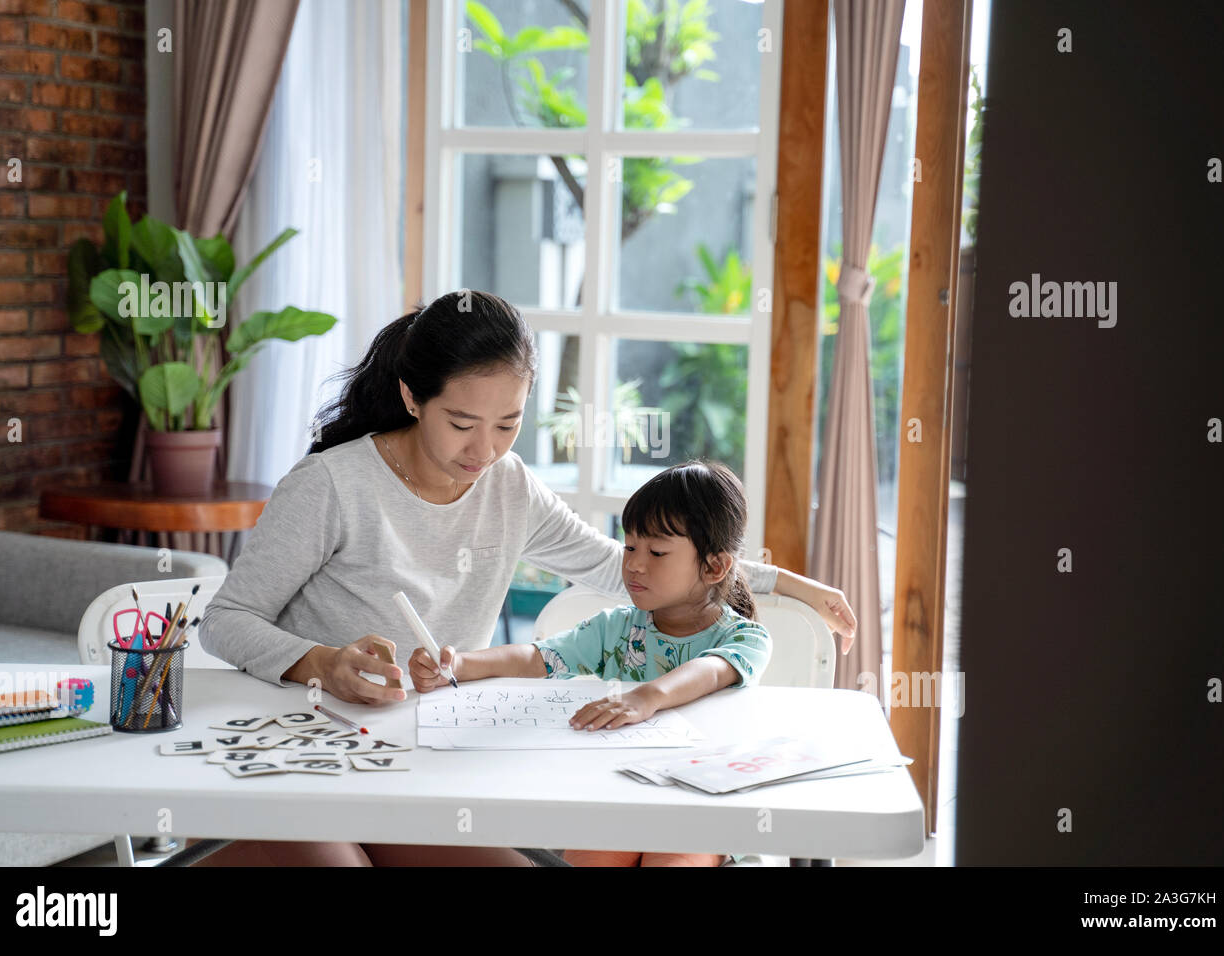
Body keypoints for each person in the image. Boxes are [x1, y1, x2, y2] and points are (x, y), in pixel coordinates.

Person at [194, 290, 857, 867]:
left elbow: (623, 564)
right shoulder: (332, 487)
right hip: (307, 754)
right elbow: (226, 622)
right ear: (411, 397)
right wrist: (322, 661)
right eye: (461, 424)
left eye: (508, 424)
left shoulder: (508, 487)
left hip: (420, 765)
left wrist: (792, 585)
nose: (483, 451)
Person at [410, 460, 771, 867]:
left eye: (656, 552)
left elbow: (711, 670)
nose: (634, 563)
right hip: (618, 797)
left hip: (702, 805)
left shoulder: (744, 639)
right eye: (630, 546)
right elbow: (539, 657)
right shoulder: (615, 628)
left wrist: (647, 697)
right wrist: (461, 663)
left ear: (714, 567)